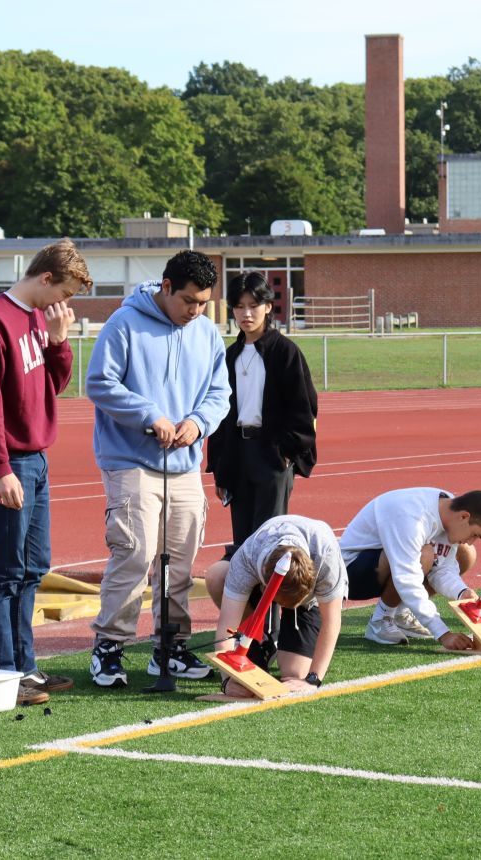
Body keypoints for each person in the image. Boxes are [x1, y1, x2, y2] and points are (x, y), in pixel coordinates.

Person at [85, 250, 231, 687]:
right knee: (135, 552)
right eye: (188, 300)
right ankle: (109, 646)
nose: (196, 310)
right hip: (131, 460)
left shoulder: (206, 333)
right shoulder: (123, 323)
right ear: (166, 287)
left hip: (184, 464)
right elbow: (100, 382)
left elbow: (219, 393)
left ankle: (171, 646)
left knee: (180, 561)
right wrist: (149, 415)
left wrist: (198, 423)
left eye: (204, 302)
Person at [0, 239, 92, 706]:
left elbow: (53, 386)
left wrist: (58, 342)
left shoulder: (40, 318)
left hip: (36, 458)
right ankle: (2, 675)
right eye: (66, 292)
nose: (66, 303)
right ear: (46, 278)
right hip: (10, 461)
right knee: (6, 570)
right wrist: (0, 469)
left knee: (34, 566)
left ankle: (25, 667)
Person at [207, 271, 318, 552]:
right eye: (239, 306)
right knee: (242, 543)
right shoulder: (229, 356)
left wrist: (286, 452)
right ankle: (246, 584)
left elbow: (304, 407)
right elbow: (220, 414)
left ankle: (271, 585)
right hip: (237, 454)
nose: (246, 313)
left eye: (253, 305)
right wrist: (220, 467)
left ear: (268, 307)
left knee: (268, 541)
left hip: (272, 456)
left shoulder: (285, 352)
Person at [339, 488, 481, 651]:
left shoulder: (449, 510)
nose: (471, 541)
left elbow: (442, 568)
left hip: (382, 566)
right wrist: (443, 633)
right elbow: (407, 579)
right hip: (348, 575)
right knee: (425, 554)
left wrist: (462, 592)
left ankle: (400, 614)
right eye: (475, 534)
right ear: (464, 516)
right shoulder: (412, 517)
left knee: (466, 553)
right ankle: (381, 620)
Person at [204, 515, 345, 697]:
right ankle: (260, 641)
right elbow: (226, 626)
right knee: (217, 575)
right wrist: (227, 680)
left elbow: (332, 621)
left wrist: (313, 679)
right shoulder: (248, 557)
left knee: (294, 674)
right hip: (261, 578)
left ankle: (277, 640)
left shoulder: (326, 557)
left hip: (310, 598)